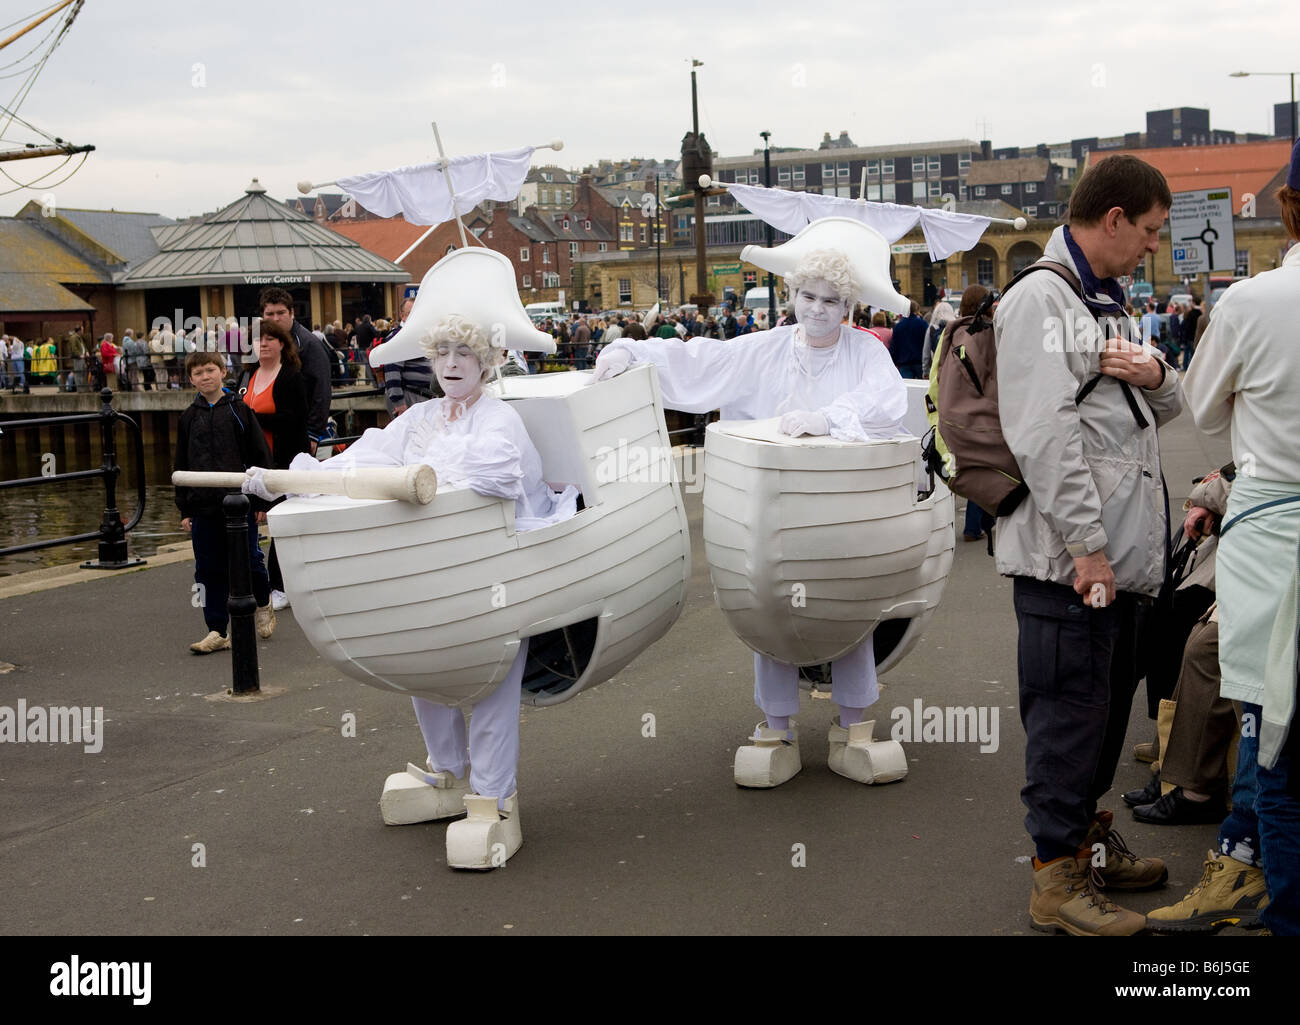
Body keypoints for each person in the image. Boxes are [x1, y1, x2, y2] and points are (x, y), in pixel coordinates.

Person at [245, 310, 576, 870]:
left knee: (493, 671)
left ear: (487, 362)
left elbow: (494, 479)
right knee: (424, 657)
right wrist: (290, 481)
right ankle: (448, 771)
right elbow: (364, 460)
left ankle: (494, 797)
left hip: (495, 574)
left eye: (464, 354)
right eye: (442, 352)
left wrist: (427, 483)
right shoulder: (420, 417)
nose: (450, 364)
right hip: (431, 571)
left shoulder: (500, 422)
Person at [592, 221, 911, 790]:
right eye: (809, 296)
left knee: (851, 611)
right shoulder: (762, 350)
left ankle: (856, 723)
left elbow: (885, 403)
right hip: (771, 520)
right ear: (793, 295)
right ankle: (777, 725)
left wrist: (830, 421)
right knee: (771, 615)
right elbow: (700, 362)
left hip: (842, 521)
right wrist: (632, 350)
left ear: (848, 305)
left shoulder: (865, 353)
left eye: (831, 300)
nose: (817, 310)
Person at [995, 154, 1180, 935]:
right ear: (1112, 220)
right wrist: (1089, 549)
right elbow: (1045, 439)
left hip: (1105, 563)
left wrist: (1156, 369)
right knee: (1070, 715)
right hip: (1072, 565)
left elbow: (1160, 409)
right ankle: (1055, 879)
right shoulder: (1045, 298)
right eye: (1147, 231)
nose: (1152, 248)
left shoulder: (1099, 299)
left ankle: (1082, 845)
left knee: (1097, 717)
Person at [1181, 140, 1300, 936]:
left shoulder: (1252, 303)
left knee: (1277, 739)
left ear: (1288, 205)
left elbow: (1201, 408)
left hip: (1270, 527)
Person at [174, 348, 276, 654]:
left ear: (222, 372)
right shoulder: (188, 417)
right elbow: (181, 463)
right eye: (198, 373)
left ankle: (263, 601)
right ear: (191, 379)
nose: (205, 377)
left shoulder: (240, 410)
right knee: (207, 568)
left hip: (239, 501)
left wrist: (261, 502)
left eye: (210, 370)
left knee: (249, 559)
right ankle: (217, 629)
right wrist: (185, 508)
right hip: (203, 504)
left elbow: (259, 455)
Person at [238, 321, 309, 615]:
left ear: (282, 344)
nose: (263, 344)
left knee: (279, 524)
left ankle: (280, 586)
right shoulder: (250, 375)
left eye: (270, 339)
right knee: (252, 522)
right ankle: (260, 583)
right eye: (258, 340)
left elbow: (295, 420)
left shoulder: (291, 377)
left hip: (284, 461)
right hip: (256, 464)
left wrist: (255, 420)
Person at [257, 288, 333, 457]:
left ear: (292, 313)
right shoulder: (260, 343)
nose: (275, 319)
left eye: (281, 313)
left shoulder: (309, 345)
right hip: (267, 429)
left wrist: (313, 433)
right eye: (270, 314)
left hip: (297, 431)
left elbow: (321, 389)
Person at [382, 297, 438, 416]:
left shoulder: (416, 336)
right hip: (410, 397)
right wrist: (399, 403)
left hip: (422, 397)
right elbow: (392, 370)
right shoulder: (399, 337)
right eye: (411, 314)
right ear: (403, 316)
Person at [889, 300, 927, 379]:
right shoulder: (923, 324)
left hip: (904, 362)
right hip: (919, 361)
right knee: (922, 388)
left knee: (908, 388)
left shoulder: (898, 326)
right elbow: (927, 343)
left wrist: (894, 361)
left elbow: (894, 345)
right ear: (915, 309)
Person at [921, 300, 953, 380]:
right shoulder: (955, 327)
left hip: (937, 369)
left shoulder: (932, 329)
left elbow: (926, 352)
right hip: (952, 368)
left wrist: (925, 371)